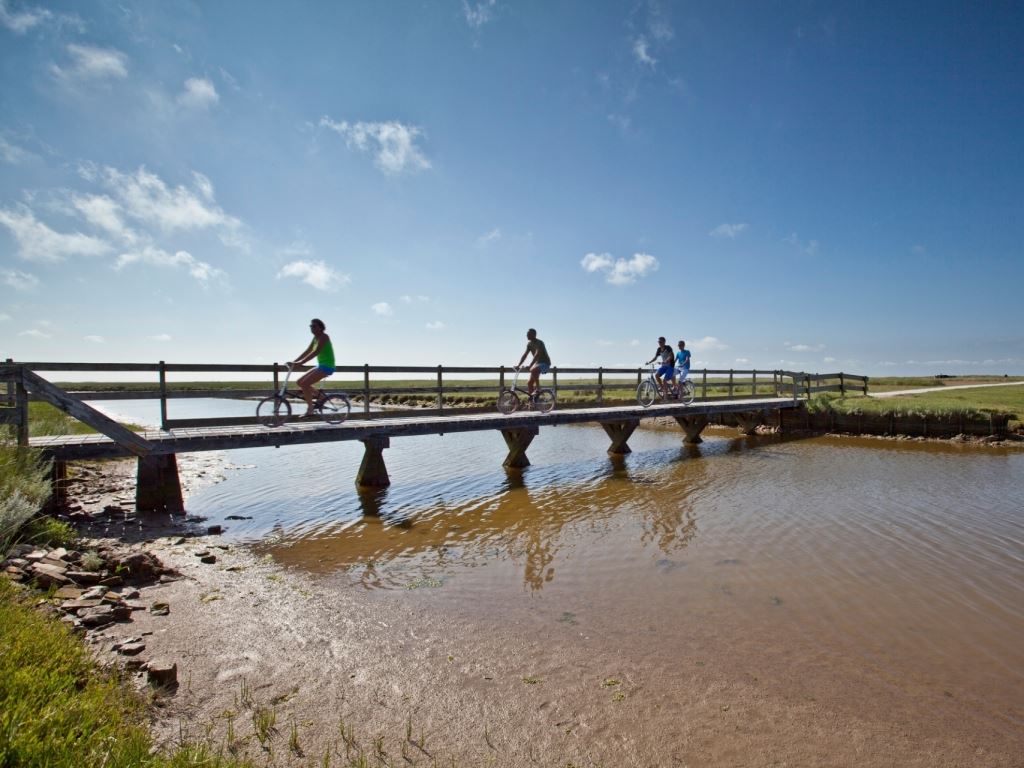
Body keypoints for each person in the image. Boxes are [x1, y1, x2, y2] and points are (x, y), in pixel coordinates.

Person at [291, 318, 335, 416]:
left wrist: (301, 362)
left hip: (327, 366)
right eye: (311, 326)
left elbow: (316, 352)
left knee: (305, 384)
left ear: (321, 327)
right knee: (299, 382)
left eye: (314, 326)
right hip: (320, 365)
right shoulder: (315, 338)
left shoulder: (324, 337)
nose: (312, 328)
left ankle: (310, 409)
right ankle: (322, 397)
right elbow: (307, 351)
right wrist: (295, 361)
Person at [516, 328, 552, 399]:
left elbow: (537, 354)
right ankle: (533, 401)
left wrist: (530, 366)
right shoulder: (529, 344)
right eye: (527, 334)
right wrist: (518, 365)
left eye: (528, 334)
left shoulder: (540, 342)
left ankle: (538, 389)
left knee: (533, 370)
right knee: (529, 383)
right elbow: (525, 355)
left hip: (545, 363)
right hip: (537, 364)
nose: (527, 335)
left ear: (534, 335)